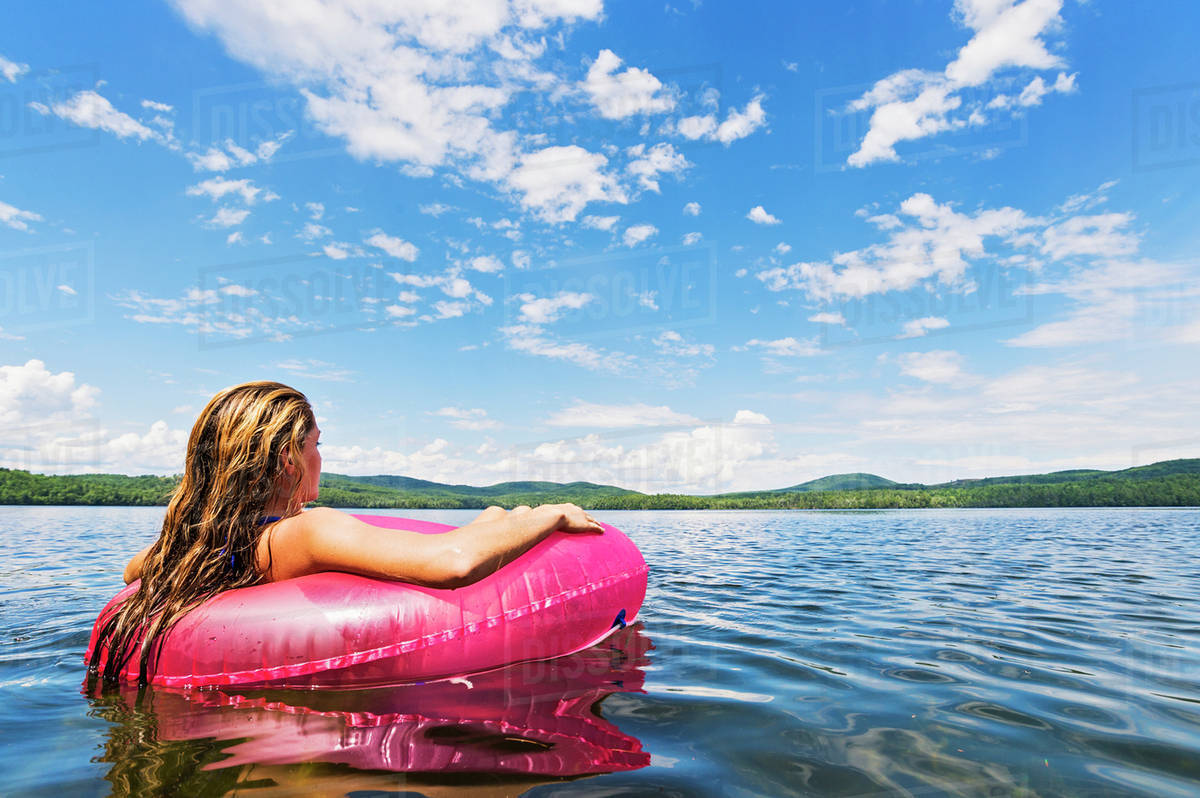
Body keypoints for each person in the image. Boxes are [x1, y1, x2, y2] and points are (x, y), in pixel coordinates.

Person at [92, 380, 603, 685]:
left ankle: (493, 515)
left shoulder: (202, 545)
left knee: (490, 517)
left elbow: (133, 569)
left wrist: (495, 522)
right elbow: (451, 562)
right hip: (321, 720)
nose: (322, 456)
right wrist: (551, 514)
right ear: (289, 458)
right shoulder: (306, 534)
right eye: (316, 443)